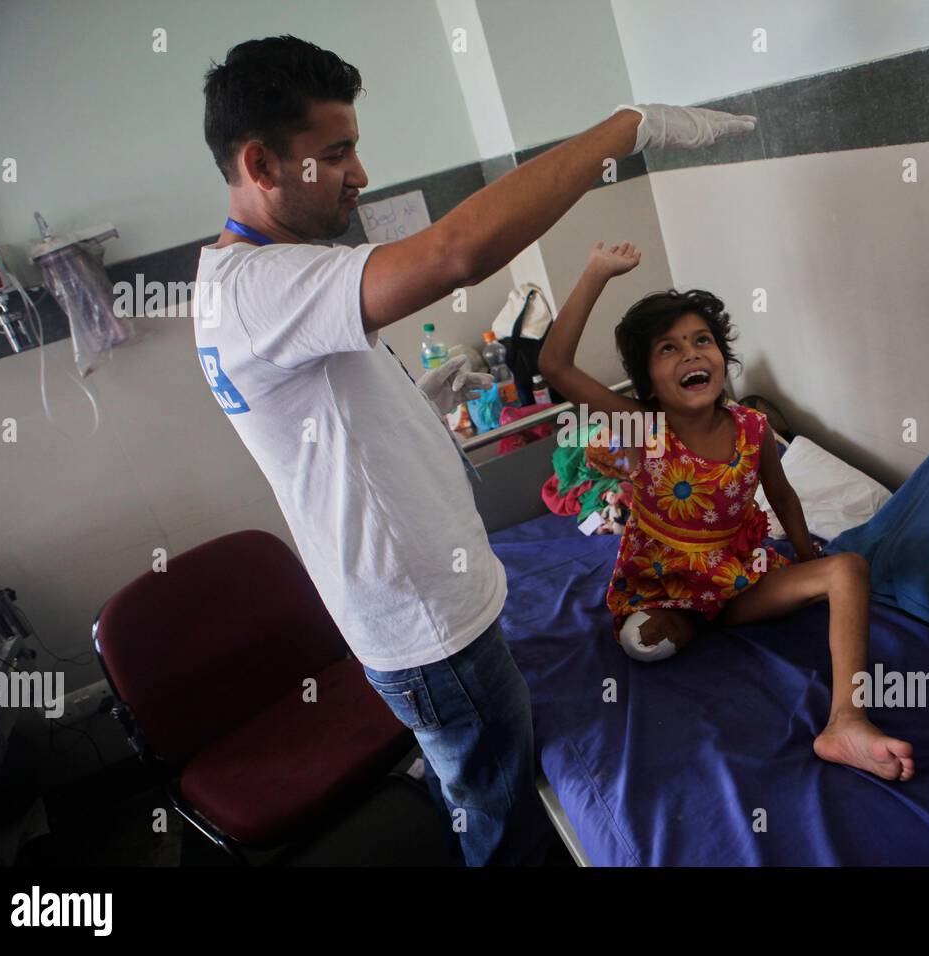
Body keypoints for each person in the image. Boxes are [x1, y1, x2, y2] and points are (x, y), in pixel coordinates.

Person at [193, 35, 758, 864]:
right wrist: (626, 128)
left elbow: (323, 423)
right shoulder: (264, 288)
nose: (360, 173)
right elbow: (459, 253)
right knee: (501, 822)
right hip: (428, 626)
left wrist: (412, 406)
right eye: (337, 151)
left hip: (419, 608)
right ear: (261, 164)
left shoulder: (255, 281)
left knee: (478, 775)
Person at [538, 241, 916, 783]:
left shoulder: (752, 429)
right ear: (647, 382)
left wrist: (809, 558)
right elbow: (554, 363)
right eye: (668, 348)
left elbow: (782, 495)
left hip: (738, 583)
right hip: (667, 589)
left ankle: (846, 719)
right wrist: (596, 271)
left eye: (702, 341)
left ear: (721, 357)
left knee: (849, 570)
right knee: (643, 647)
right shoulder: (645, 432)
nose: (691, 354)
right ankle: (691, 624)